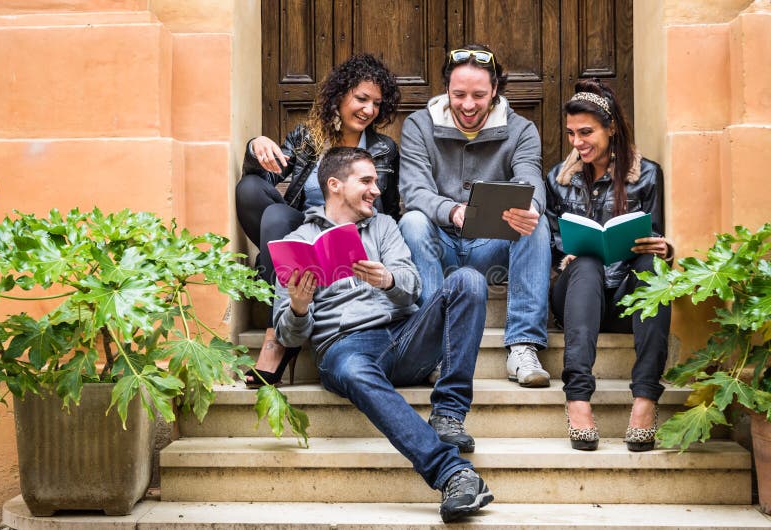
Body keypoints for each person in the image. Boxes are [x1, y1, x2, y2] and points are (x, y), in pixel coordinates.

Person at [273, 147, 493, 522]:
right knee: (356, 371)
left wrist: (388, 280)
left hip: (401, 335)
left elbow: (412, 287)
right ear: (335, 185)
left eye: (376, 181)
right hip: (344, 349)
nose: (377, 189)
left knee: (468, 281)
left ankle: (448, 413)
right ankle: (452, 473)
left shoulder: (385, 226)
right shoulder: (297, 242)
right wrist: (298, 306)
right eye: (367, 181)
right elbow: (289, 336)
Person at [236, 54, 401, 387]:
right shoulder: (308, 137)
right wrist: (256, 148)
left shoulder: (384, 149)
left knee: (275, 226)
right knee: (255, 194)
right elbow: (269, 177)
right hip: (303, 230)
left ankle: (278, 341)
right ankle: (280, 322)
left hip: (351, 239)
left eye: (376, 104)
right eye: (361, 99)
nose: (369, 110)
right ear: (340, 95)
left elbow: (389, 209)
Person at [397, 44, 552, 388]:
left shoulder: (521, 129)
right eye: (459, 94)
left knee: (534, 224)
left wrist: (532, 207)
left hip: (490, 250)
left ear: (495, 90)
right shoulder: (419, 126)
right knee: (412, 220)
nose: (468, 105)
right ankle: (433, 348)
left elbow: (530, 177)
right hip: (437, 248)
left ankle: (522, 347)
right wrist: (452, 211)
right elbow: (413, 190)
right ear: (446, 89)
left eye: (479, 95)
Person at [545, 79, 673, 452]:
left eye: (586, 132)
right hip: (576, 298)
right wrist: (567, 253)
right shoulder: (558, 179)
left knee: (652, 267)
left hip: (624, 300)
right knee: (585, 261)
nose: (577, 142)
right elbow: (553, 242)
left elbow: (656, 233)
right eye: (571, 133)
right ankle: (578, 399)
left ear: (611, 127)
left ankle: (645, 400)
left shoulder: (646, 175)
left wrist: (664, 248)